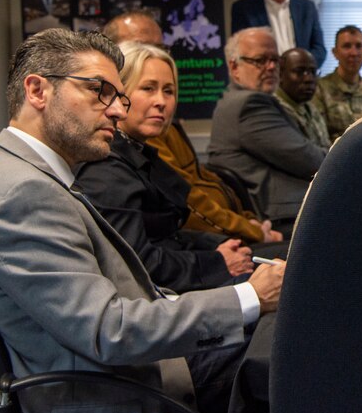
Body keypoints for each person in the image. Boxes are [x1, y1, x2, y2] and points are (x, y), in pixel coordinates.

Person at [0, 29, 285, 413]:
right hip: (119, 401)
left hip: (125, 378)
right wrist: (247, 297)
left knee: (279, 341)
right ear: (37, 90)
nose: (117, 110)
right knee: (294, 355)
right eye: (99, 92)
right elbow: (109, 331)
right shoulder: (21, 196)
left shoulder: (27, 175)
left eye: (117, 95)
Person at [74, 42, 260, 292]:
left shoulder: (140, 151)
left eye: (169, 91)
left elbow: (168, 234)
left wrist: (219, 244)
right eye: (148, 88)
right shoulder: (106, 167)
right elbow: (139, 263)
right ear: (120, 94)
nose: (161, 101)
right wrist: (216, 261)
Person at [207, 28, 326, 226]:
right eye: (260, 61)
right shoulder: (249, 105)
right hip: (280, 216)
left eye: (275, 60)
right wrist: (347, 157)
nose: (271, 67)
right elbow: (308, 159)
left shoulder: (242, 100)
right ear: (234, 67)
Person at [313, 25, 362, 139]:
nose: (353, 53)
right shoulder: (319, 91)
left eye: (358, 46)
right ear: (335, 52)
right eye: (347, 46)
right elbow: (318, 138)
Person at [275, 47, 330, 149]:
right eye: (299, 72)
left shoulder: (309, 107)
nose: (308, 79)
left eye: (313, 72)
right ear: (280, 74)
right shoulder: (275, 110)